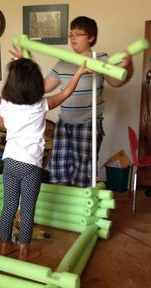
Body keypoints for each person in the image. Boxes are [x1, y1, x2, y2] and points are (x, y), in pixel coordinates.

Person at [0, 58, 89, 261]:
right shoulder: (41, 104)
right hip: (31, 165)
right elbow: (65, 93)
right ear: (36, 85)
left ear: (11, 84)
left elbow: (1, 123)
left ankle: (5, 246)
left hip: (10, 161)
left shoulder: (7, 104)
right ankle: (24, 251)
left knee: (9, 206)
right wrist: (78, 73)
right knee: (27, 209)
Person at [44, 16, 134, 187]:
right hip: (64, 122)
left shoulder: (100, 59)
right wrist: (24, 64)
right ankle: (63, 208)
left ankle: (80, 210)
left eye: (78, 34)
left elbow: (116, 82)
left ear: (91, 37)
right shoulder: (62, 61)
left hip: (88, 123)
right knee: (58, 169)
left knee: (83, 173)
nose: (73, 39)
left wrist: (128, 67)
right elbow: (44, 86)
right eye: (71, 35)